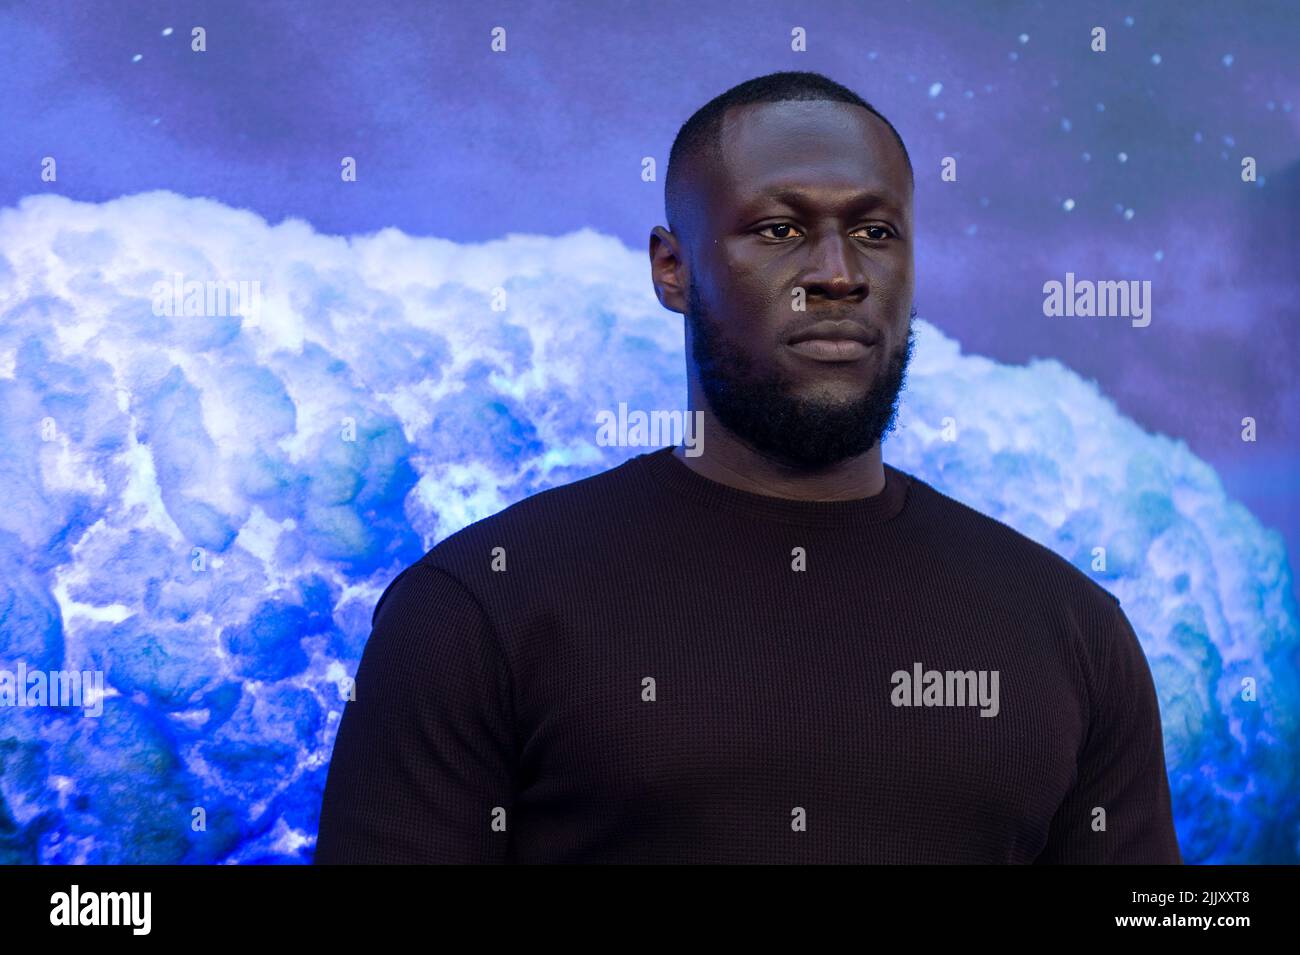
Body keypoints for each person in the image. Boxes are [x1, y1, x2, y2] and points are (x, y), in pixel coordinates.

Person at [314, 70, 1182, 864]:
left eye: (875, 231)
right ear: (671, 267)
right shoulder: (476, 608)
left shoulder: (1072, 628)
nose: (838, 275)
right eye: (781, 228)